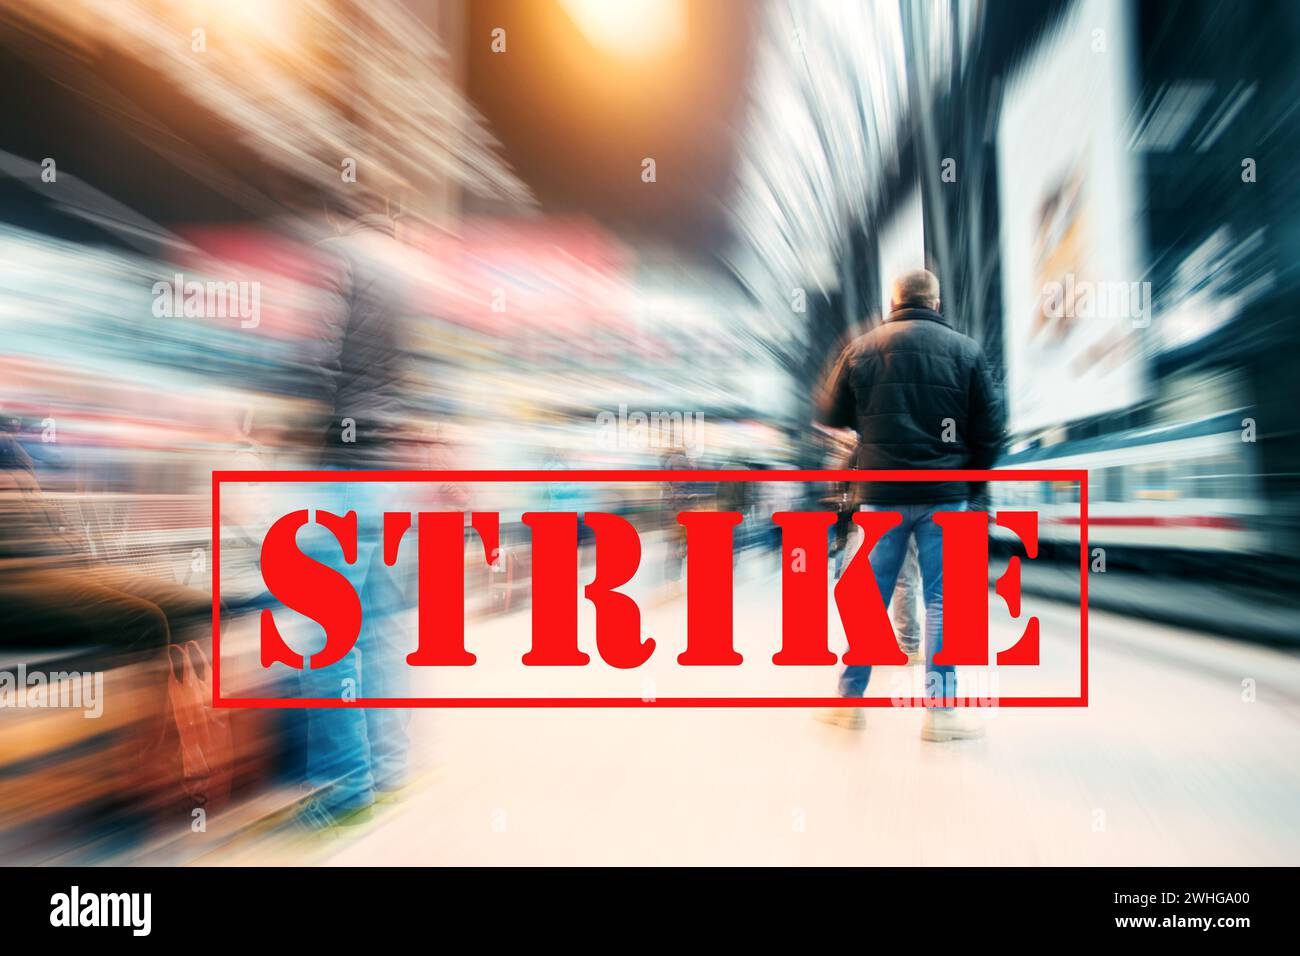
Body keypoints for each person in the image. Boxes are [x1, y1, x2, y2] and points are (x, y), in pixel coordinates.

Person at [813, 268, 1005, 740]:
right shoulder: (967, 351)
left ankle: (847, 704)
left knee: (870, 598)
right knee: (943, 601)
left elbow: (828, 412)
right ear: (936, 304)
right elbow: (992, 431)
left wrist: (871, 415)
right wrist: (970, 481)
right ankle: (940, 715)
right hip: (945, 498)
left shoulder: (861, 349)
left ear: (892, 302)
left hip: (882, 498)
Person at [290, 201, 419, 830]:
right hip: (389, 480)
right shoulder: (408, 271)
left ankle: (346, 789)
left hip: (341, 476)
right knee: (379, 633)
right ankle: (389, 768)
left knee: (329, 640)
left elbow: (314, 362)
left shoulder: (338, 256)